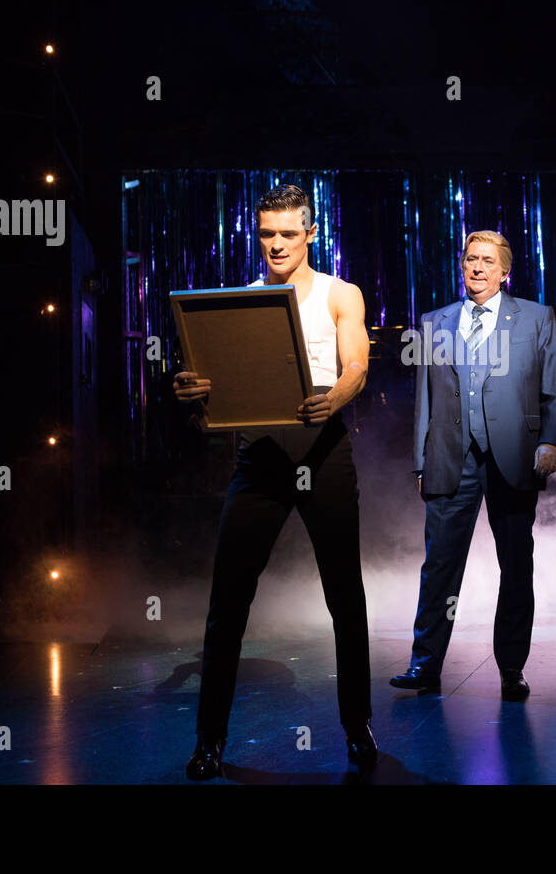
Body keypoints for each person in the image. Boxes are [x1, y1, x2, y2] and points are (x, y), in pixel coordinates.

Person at [174, 184, 376, 779]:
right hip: (260, 458)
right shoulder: (242, 301)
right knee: (227, 603)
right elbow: (213, 389)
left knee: (346, 597)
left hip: (325, 450)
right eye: (267, 233)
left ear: (310, 233)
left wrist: (332, 397)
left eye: (289, 233)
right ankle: (209, 740)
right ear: (256, 234)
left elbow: (358, 365)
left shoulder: (341, 293)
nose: (277, 244)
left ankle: (358, 730)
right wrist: (193, 393)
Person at [392, 231, 556, 700]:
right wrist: (420, 463)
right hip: (451, 460)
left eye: (488, 261)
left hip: (515, 459)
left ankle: (512, 668)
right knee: (439, 567)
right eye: (471, 259)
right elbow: (424, 403)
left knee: (515, 566)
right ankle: (424, 665)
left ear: (504, 270)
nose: (477, 267)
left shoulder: (536, 318)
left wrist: (552, 440)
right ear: (461, 264)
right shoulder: (436, 322)